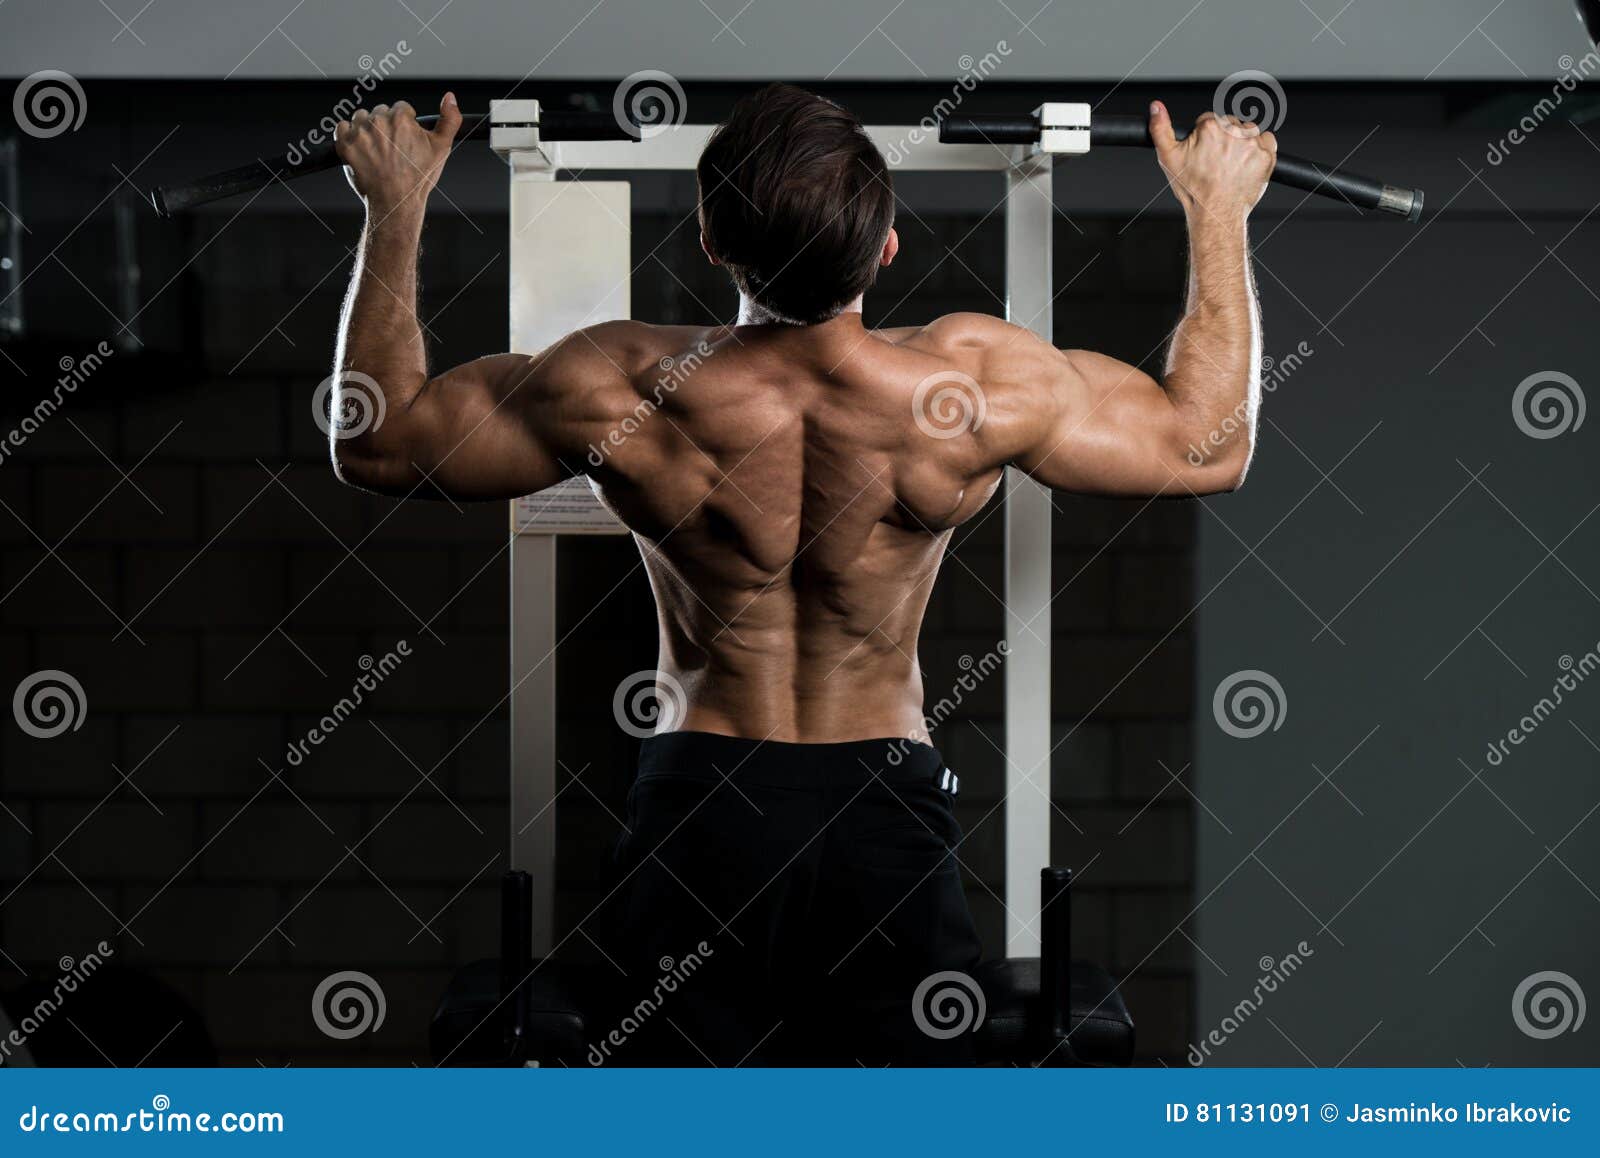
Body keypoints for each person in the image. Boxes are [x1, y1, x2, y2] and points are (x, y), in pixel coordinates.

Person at [330, 83, 1273, 1064]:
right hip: (880, 805)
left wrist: (394, 206)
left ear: (710, 240)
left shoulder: (620, 385)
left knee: (684, 1115)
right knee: (895, 1117)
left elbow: (377, 443)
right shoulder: (972, 386)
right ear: (885, 247)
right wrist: (1217, 210)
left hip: (702, 801)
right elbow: (1208, 448)